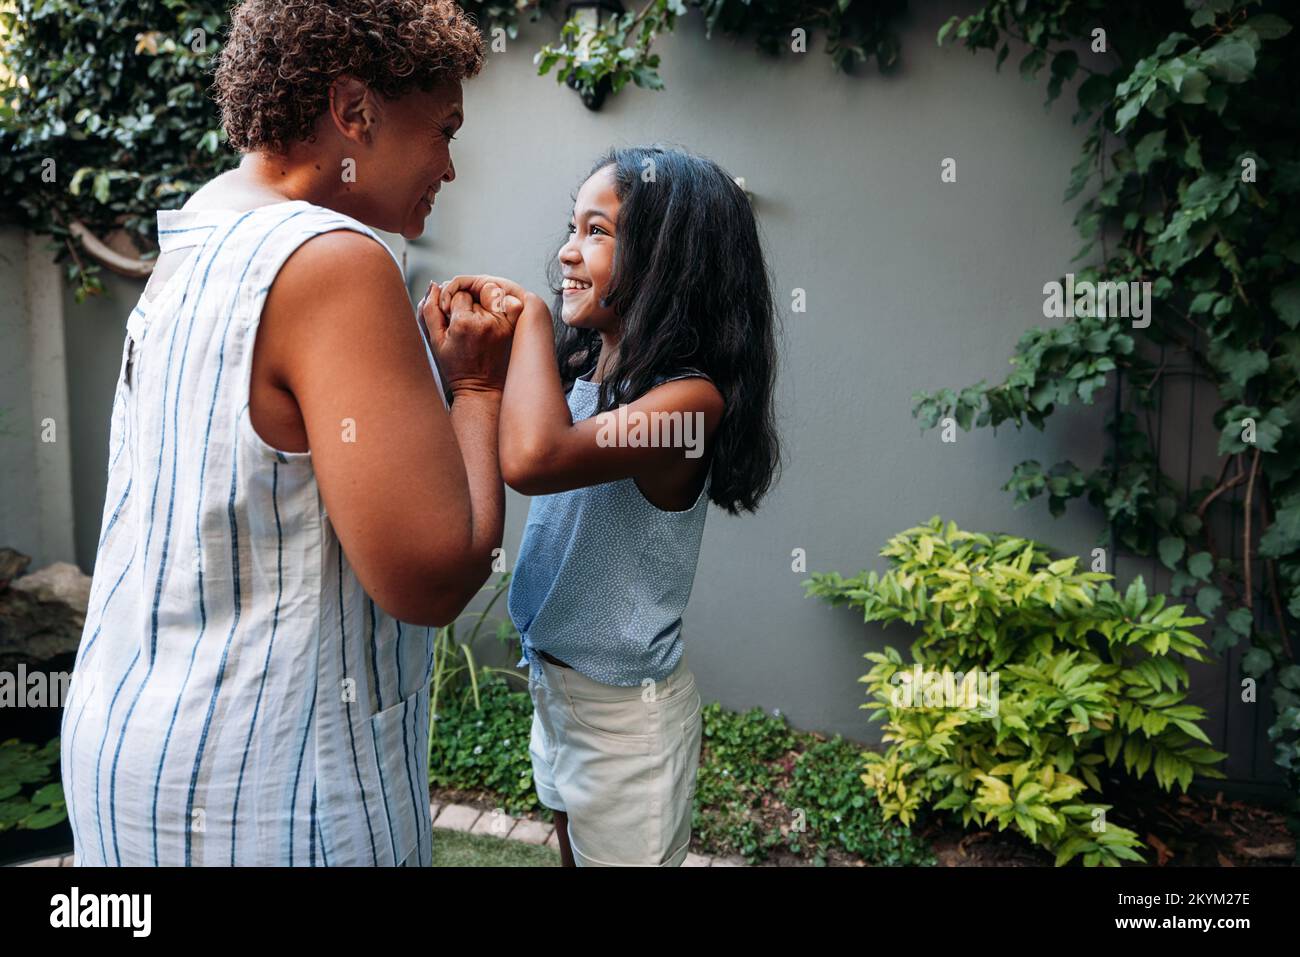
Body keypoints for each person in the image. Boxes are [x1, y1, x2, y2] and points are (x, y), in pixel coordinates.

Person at [60, 0, 509, 866]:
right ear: (353, 112)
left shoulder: (196, 237)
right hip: (266, 792)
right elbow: (431, 574)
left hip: (130, 757)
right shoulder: (333, 259)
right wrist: (479, 389)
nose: (451, 165)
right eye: (443, 130)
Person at [435, 145, 781, 866]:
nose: (566, 252)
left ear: (673, 260)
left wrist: (529, 316)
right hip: (555, 688)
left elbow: (533, 461)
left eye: (597, 231)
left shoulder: (690, 403)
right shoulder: (579, 376)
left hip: (627, 721)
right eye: (571, 227)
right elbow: (494, 432)